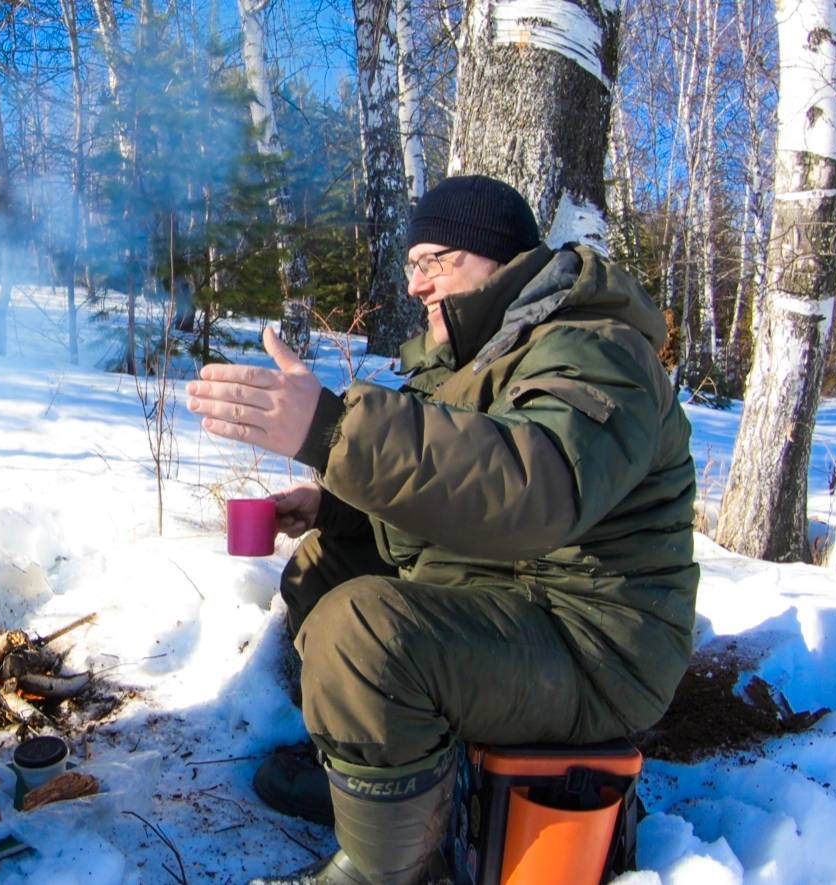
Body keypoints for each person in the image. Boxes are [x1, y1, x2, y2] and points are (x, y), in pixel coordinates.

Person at [186, 175, 698, 883]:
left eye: (435, 261)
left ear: (501, 256)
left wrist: (333, 430)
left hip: (593, 644)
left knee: (362, 632)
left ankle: (386, 870)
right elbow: (449, 490)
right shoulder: (469, 358)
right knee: (328, 563)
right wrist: (333, 506)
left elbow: (534, 491)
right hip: (514, 605)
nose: (415, 284)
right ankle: (374, 780)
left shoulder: (596, 347)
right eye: (411, 265)